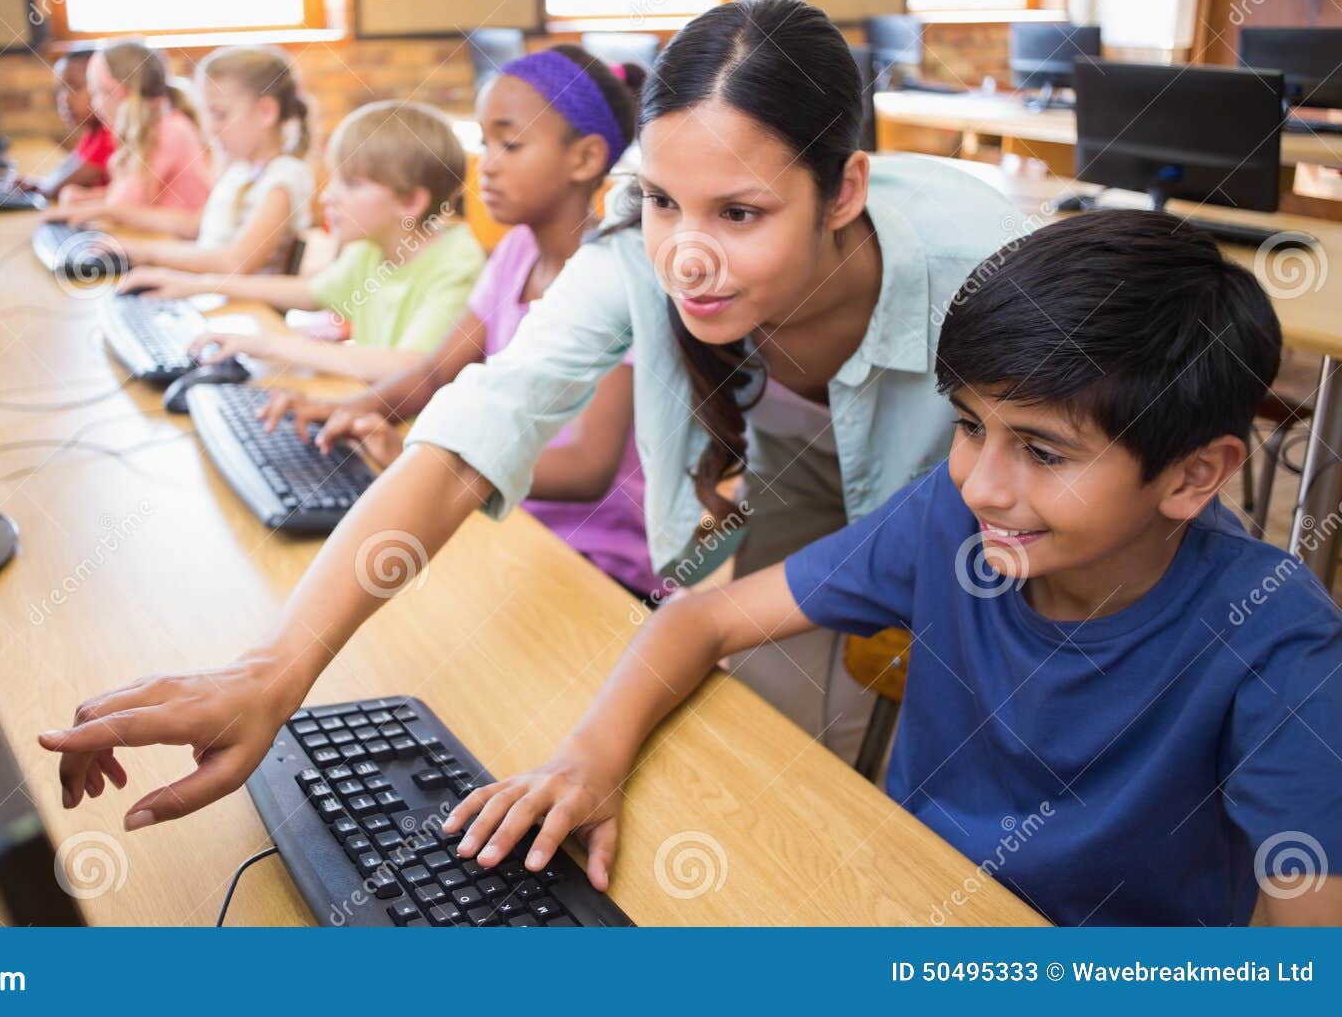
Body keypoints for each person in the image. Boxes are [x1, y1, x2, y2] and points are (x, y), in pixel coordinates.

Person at [36, 0, 1022, 831]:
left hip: (987, 504)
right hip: (793, 453)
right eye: (667, 200)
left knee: (959, 731)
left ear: (843, 189)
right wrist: (272, 668)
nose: (684, 254)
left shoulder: (981, 267)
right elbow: (480, 425)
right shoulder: (640, 251)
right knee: (781, 748)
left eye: (741, 212)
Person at [437, 211, 1342, 928]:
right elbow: (701, 619)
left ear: (1193, 474)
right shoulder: (945, 520)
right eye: (971, 424)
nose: (983, 484)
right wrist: (588, 760)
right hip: (892, 910)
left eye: (1044, 451)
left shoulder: (1276, 636)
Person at [267, 45, 660, 600]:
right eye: (484, 142)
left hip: (593, 561)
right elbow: (434, 372)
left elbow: (587, 467)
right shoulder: (516, 252)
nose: (489, 165)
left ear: (585, 158)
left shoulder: (616, 279)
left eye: (511, 143)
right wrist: (344, 412)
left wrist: (430, 462)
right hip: (500, 516)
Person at [118, 101, 486, 384]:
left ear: (410, 202)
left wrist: (271, 344)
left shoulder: (457, 264)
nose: (328, 198)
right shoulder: (373, 245)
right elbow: (312, 292)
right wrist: (194, 285)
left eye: (351, 184)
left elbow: (411, 365)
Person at [65, 45, 316, 275]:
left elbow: (235, 263)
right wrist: (112, 214)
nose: (212, 128)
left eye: (220, 114)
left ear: (266, 112)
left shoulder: (284, 178)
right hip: (210, 294)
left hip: (245, 312)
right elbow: (194, 224)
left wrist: (143, 253)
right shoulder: (240, 170)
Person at [49, 39, 213, 217]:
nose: (95, 105)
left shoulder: (170, 131)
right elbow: (132, 195)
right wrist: (87, 198)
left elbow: (128, 204)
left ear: (119, 92)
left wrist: (90, 206)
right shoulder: (147, 130)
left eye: (98, 93)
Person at [12, 45, 114, 199]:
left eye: (75, 87)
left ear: (104, 86)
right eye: (60, 90)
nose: (65, 100)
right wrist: (40, 184)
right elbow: (69, 167)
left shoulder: (111, 134)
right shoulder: (93, 132)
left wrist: (45, 187)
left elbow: (58, 187)